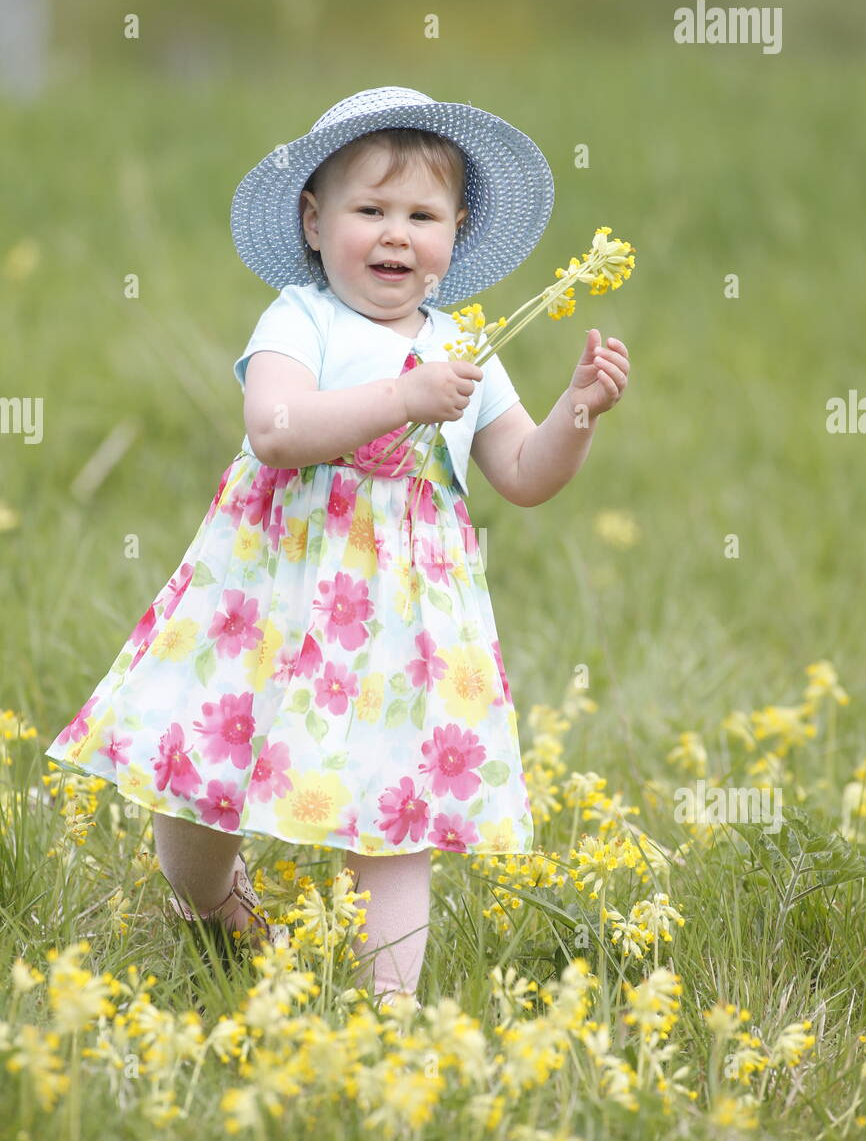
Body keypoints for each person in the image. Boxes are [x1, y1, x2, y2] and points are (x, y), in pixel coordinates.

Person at [44, 86, 630, 1009]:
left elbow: (521, 470)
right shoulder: (302, 319)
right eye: (369, 210)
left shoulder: (465, 346)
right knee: (202, 769)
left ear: (457, 233)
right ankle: (216, 909)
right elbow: (275, 429)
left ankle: (386, 1015)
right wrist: (403, 398)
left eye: (421, 215)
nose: (395, 234)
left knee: (396, 810)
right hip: (268, 595)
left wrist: (578, 413)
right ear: (316, 222)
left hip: (403, 619)